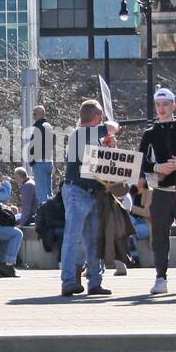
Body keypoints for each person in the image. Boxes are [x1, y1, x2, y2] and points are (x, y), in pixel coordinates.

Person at [138, 87, 176, 294]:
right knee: (159, 236)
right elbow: (139, 161)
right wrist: (157, 167)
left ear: (174, 106)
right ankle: (161, 277)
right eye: (158, 105)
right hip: (161, 191)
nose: (161, 109)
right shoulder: (150, 133)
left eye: (165, 105)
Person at [59, 100, 118, 297]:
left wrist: (109, 147)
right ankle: (68, 281)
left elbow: (102, 166)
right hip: (78, 191)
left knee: (93, 240)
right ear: (97, 118)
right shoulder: (80, 134)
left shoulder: (90, 137)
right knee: (73, 238)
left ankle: (95, 281)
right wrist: (113, 128)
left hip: (91, 192)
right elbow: (110, 127)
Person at [24, 104, 54, 203]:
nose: (33, 116)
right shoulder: (49, 127)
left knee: (41, 193)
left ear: (39, 115)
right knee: (49, 191)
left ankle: (44, 215)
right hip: (49, 161)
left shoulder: (38, 127)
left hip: (39, 162)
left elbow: (34, 146)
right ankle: (51, 212)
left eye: (34, 114)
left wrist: (31, 160)